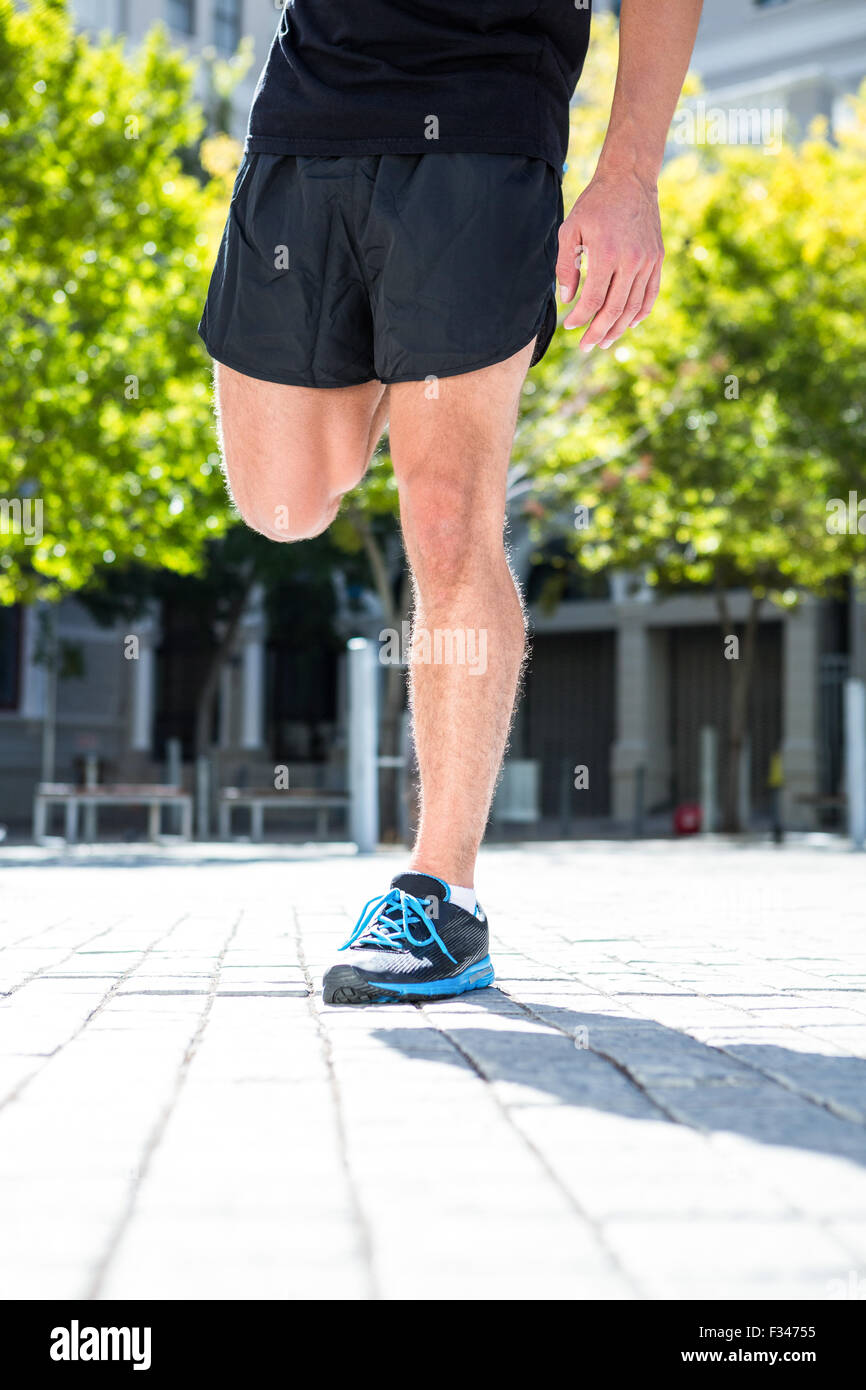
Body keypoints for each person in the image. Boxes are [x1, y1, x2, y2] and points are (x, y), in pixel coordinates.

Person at [199, 1, 704, 1004]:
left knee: (445, 515)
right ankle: (405, 355)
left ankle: (441, 896)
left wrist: (626, 179)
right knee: (283, 500)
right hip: (312, 111)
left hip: (485, 124)